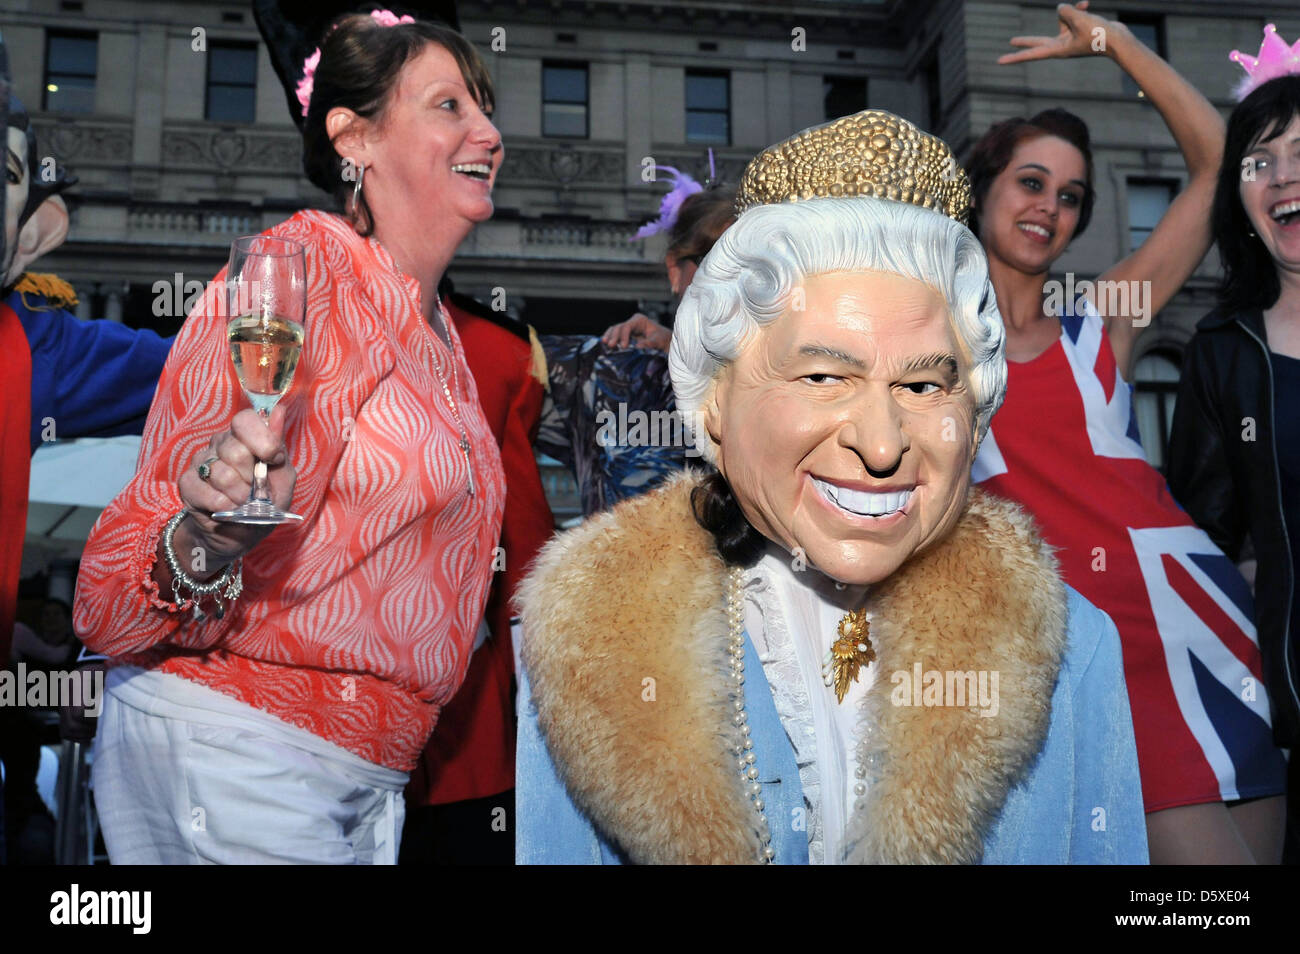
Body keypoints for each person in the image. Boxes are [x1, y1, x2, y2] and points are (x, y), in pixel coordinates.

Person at [515, 109, 1147, 865]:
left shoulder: (1075, 649)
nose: (881, 445)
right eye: (822, 376)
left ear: (976, 418)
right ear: (715, 400)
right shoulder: (586, 645)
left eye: (922, 385)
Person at [72, 8, 506, 864]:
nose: (490, 132)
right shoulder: (298, 275)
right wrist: (203, 537)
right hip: (239, 750)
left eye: (484, 107)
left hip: (361, 779)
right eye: (449, 105)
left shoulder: (440, 338)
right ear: (355, 138)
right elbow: (114, 589)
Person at [969, 3, 1286, 863]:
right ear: (985, 188)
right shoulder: (931, 348)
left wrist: (1119, 44)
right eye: (1031, 182)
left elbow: (1218, 164)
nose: (1050, 209)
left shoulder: (1098, 320)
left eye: (1070, 196)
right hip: (1084, 651)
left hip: (1195, 619)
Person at [1166, 46, 1300, 863]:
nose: (1283, 177)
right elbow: (1198, 541)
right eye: (1261, 160)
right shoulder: (1222, 352)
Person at [536, 184, 738, 515]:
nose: (734, 279)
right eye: (716, 259)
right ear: (676, 270)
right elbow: (478, 368)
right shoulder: (608, 372)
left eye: (754, 265)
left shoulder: (794, 383)